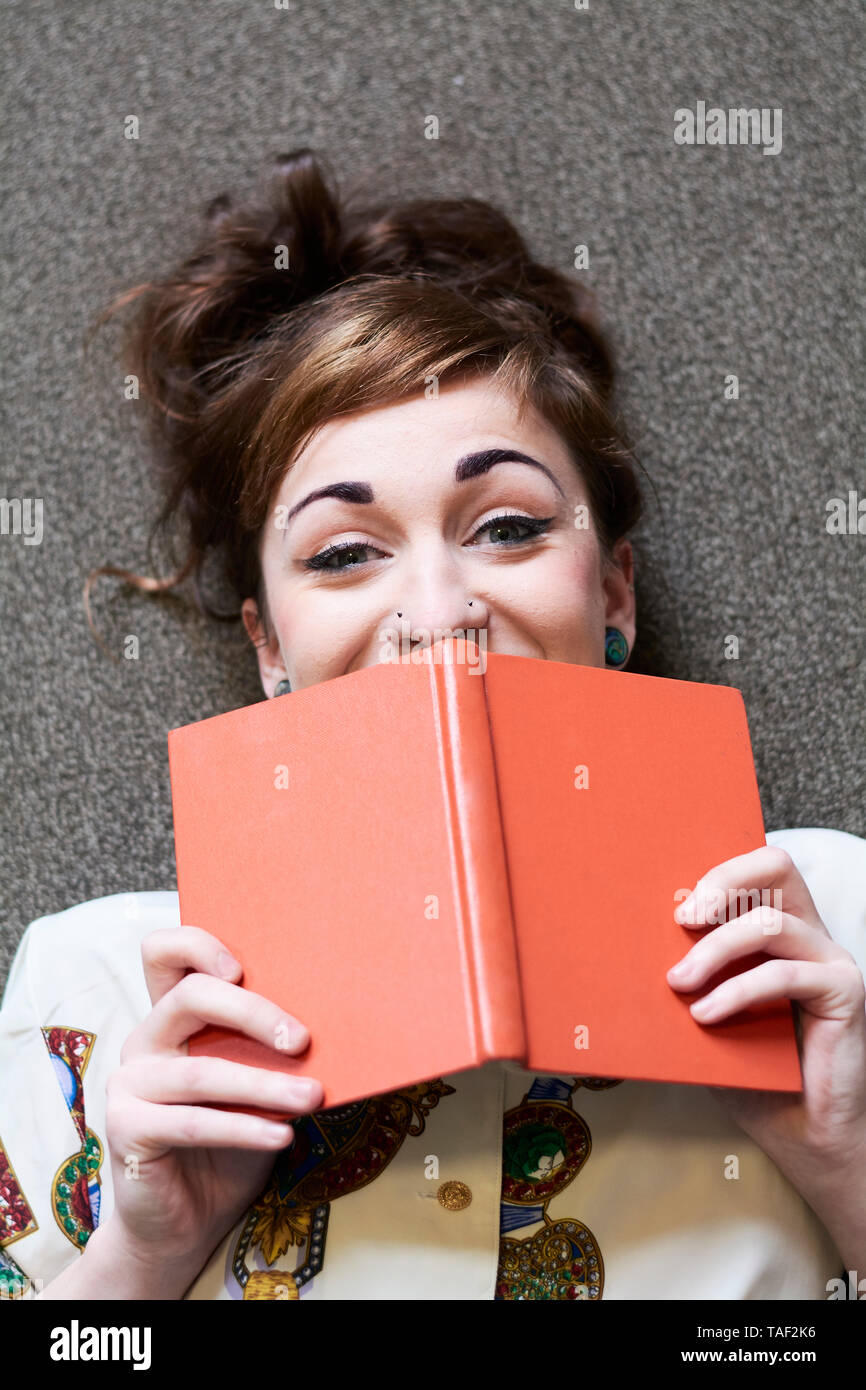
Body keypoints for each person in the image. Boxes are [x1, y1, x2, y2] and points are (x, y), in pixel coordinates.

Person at [1, 150, 864, 1302]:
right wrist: (144, 1252)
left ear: (610, 592)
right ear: (268, 646)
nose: (437, 611)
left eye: (506, 527)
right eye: (345, 553)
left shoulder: (826, 930)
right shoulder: (99, 988)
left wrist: (846, 1162)